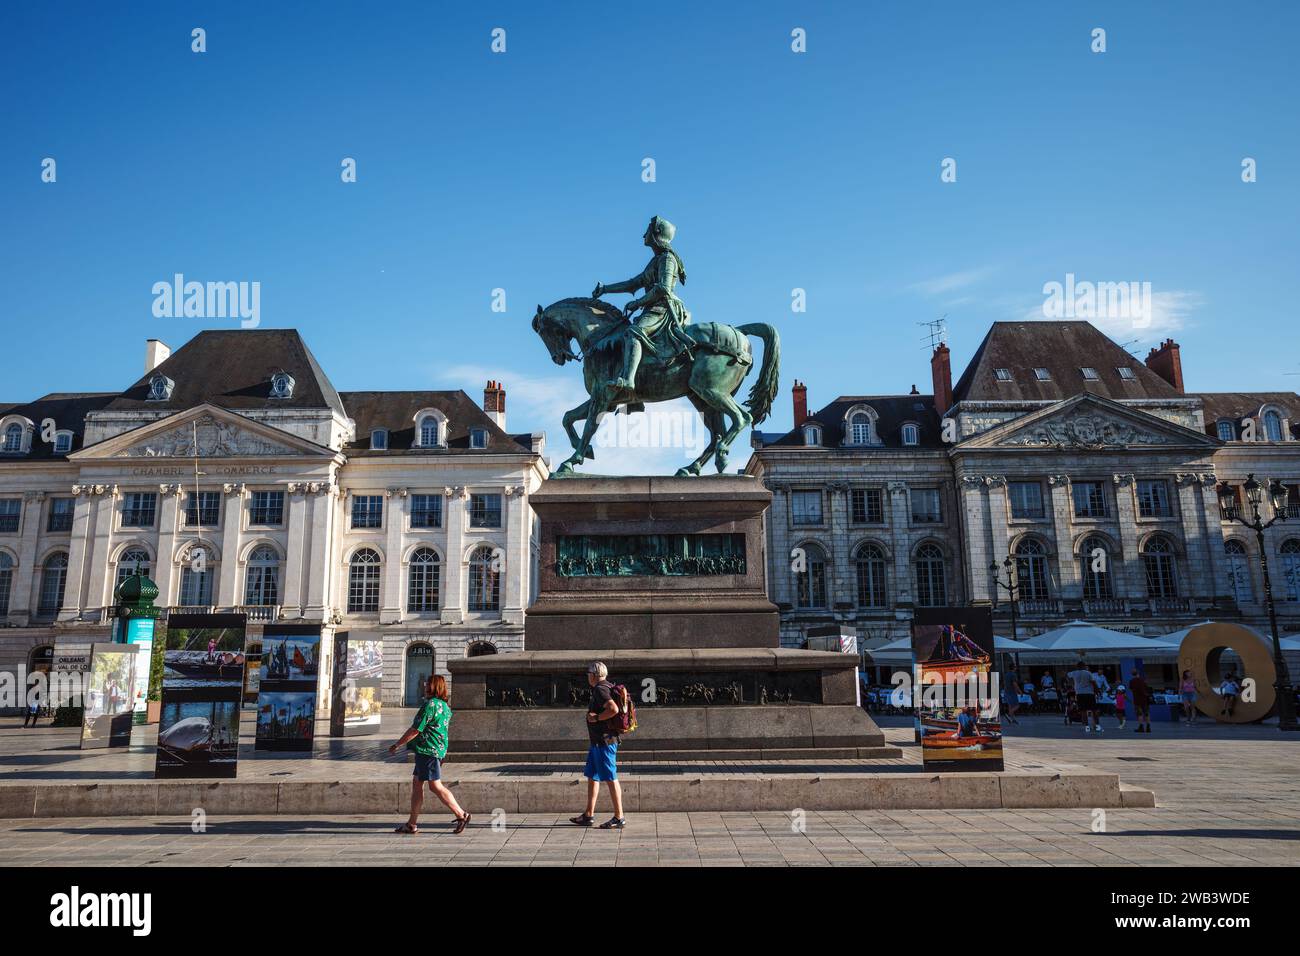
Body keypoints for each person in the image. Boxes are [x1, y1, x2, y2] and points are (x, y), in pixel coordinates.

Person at [591, 216, 695, 394]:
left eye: (647, 230)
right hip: (654, 307)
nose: (643, 235)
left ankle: (628, 380)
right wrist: (605, 289)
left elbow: (663, 289)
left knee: (633, 333)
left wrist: (638, 302)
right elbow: (633, 283)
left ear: (656, 234)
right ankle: (633, 400)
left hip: (664, 309)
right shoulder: (656, 260)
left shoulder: (667, 259)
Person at [389, 674, 470, 835]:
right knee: (417, 783)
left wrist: (397, 744)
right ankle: (411, 824)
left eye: (428, 685)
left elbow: (415, 729)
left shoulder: (430, 705)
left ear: (435, 687)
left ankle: (461, 814)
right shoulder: (445, 706)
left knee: (435, 785)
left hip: (428, 750)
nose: (425, 687)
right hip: (435, 749)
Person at [570, 661, 626, 829]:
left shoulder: (601, 689)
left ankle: (619, 817)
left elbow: (613, 709)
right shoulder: (606, 686)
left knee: (610, 778)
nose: (587, 676)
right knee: (593, 776)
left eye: (588, 674)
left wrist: (596, 718)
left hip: (605, 742)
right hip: (597, 742)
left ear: (594, 675)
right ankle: (588, 814)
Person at [1067, 660, 1100, 734]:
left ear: (1077, 666)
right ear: (1083, 666)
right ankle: (1097, 725)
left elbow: (1067, 675)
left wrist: (1073, 683)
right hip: (1089, 693)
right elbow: (1093, 682)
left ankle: (1087, 726)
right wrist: (1097, 691)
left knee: (1083, 711)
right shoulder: (1088, 673)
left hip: (1079, 694)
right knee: (1094, 710)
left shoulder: (1074, 673)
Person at [1129, 670, 1152, 734]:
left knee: (1139, 714)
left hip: (1137, 699)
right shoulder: (1142, 681)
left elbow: (1131, 689)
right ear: (1138, 674)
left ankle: (1141, 727)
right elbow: (1147, 688)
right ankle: (1148, 727)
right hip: (1145, 699)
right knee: (1146, 713)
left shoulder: (1131, 681)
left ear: (1132, 675)